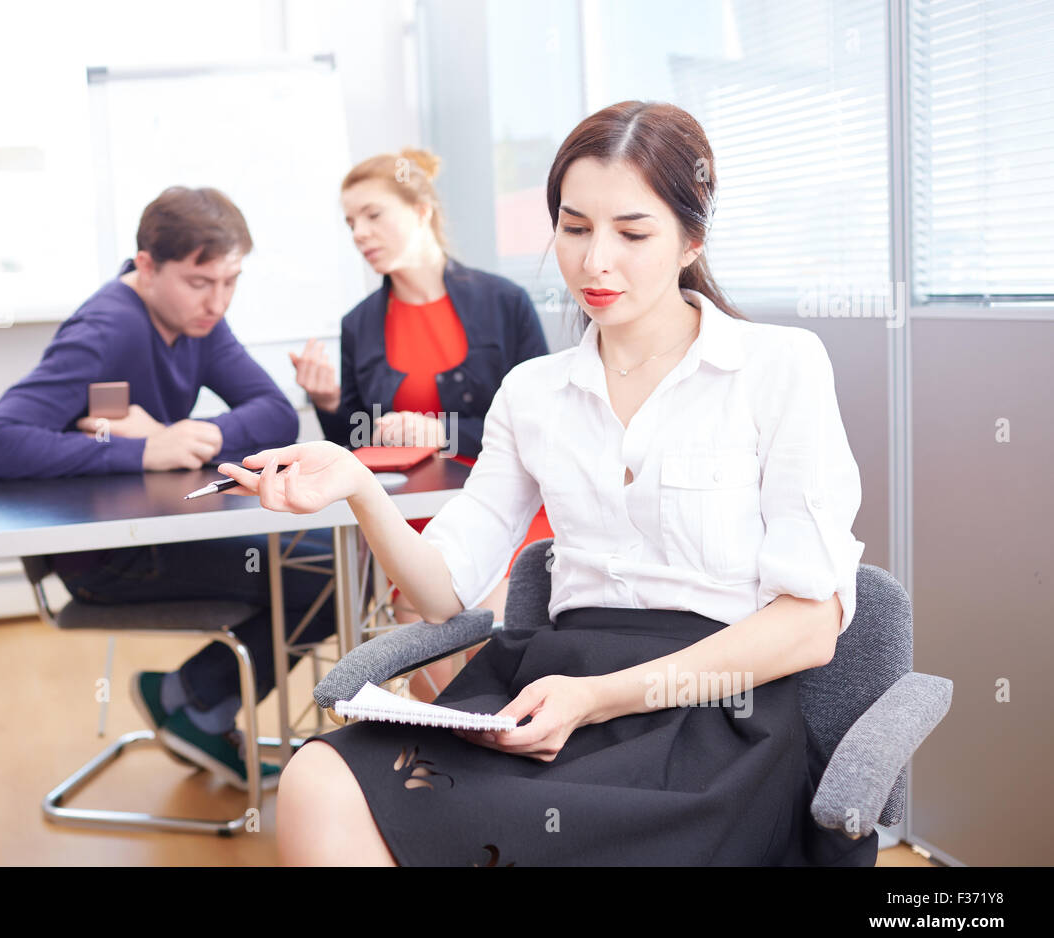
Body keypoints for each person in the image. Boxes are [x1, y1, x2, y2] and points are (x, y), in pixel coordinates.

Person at [217, 101, 880, 866]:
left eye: (632, 233)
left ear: (692, 239)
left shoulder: (779, 368)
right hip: (545, 686)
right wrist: (360, 485)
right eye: (574, 228)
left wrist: (599, 697)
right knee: (317, 780)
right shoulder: (533, 392)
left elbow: (809, 625)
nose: (596, 262)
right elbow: (443, 592)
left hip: (710, 705)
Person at [0, 186, 337, 791]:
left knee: (348, 558)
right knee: (329, 573)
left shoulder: (198, 320)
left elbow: (275, 412)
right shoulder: (105, 328)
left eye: (231, 281)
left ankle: (190, 699)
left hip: (168, 529)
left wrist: (186, 435)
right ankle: (196, 699)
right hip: (108, 559)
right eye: (199, 282)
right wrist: (138, 450)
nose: (217, 301)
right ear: (146, 267)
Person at [289, 148, 552, 700]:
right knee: (424, 624)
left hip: (508, 504)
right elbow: (353, 448)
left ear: (422, 209)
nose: (360, 233)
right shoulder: (358, 324)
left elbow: (545, 423)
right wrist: (331, 402)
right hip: (408, 516)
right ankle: (451, 756)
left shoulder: (504, 303)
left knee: (485, 623)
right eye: (350, 222)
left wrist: (446, 432)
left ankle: (495, 754)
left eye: (373, 214)